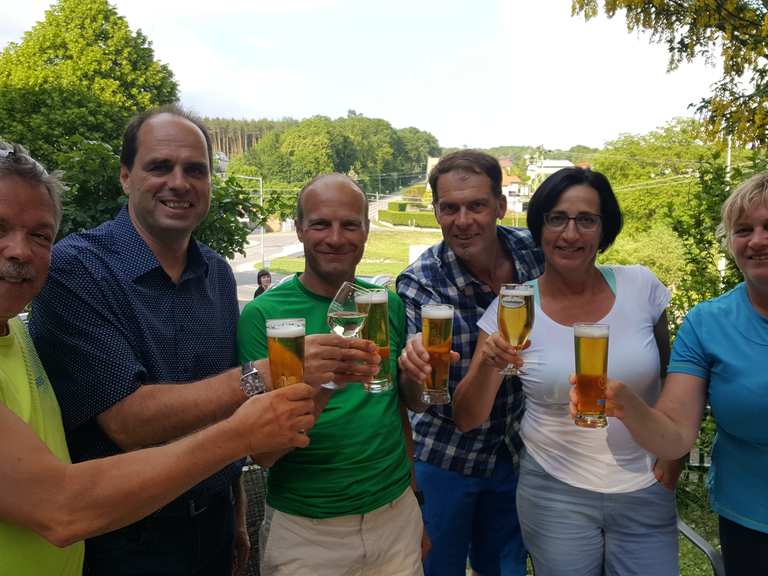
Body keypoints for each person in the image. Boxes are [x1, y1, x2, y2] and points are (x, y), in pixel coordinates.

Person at [27, 107, 367, 576]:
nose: (179, 182)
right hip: (123, 537)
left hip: (212, 527)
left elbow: (218, 409)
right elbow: (130, 423)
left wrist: (235, 515)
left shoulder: (215, 272)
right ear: (126, 176)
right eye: (160, 166)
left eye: (195, 170)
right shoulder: (77, 269)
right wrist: (266, 373)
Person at [452, 167, 681, 576]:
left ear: (603, 228)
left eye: (586, 220)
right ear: (539, 227)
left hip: (646, 485)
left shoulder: (641, 286)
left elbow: (670, 378)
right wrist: (489, 363)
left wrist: (673, 454)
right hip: (555, 492)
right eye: (557, 218)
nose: (570, 235)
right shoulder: (514, 306)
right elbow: (467, 418)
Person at [572, 172, 768, 575]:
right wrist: (626, 405)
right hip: (747, 519)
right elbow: (676, 435)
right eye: (744, 229)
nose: (757, 241)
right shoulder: (708, 323)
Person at [238, 173, 426, 576]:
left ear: (366, 230)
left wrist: (413, 501)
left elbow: (396, 410)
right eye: (321, 224)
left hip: (394, 517)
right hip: (307, 532)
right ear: (300, 229)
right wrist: (322, 381)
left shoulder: (384, 304)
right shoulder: (264, 315)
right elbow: (265, 453)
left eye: (350, 224)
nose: (336, 238)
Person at [397, 150, 543, 576]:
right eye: (450, 208)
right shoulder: (421, 282)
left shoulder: (533, 254)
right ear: (437, 211)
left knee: (505, 568)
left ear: (500, 205)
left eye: (477, 205)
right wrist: (414, 367)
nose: (463, 221)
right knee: (435, 566)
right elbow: (417, 397)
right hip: (445, 457)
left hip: (516, 451)